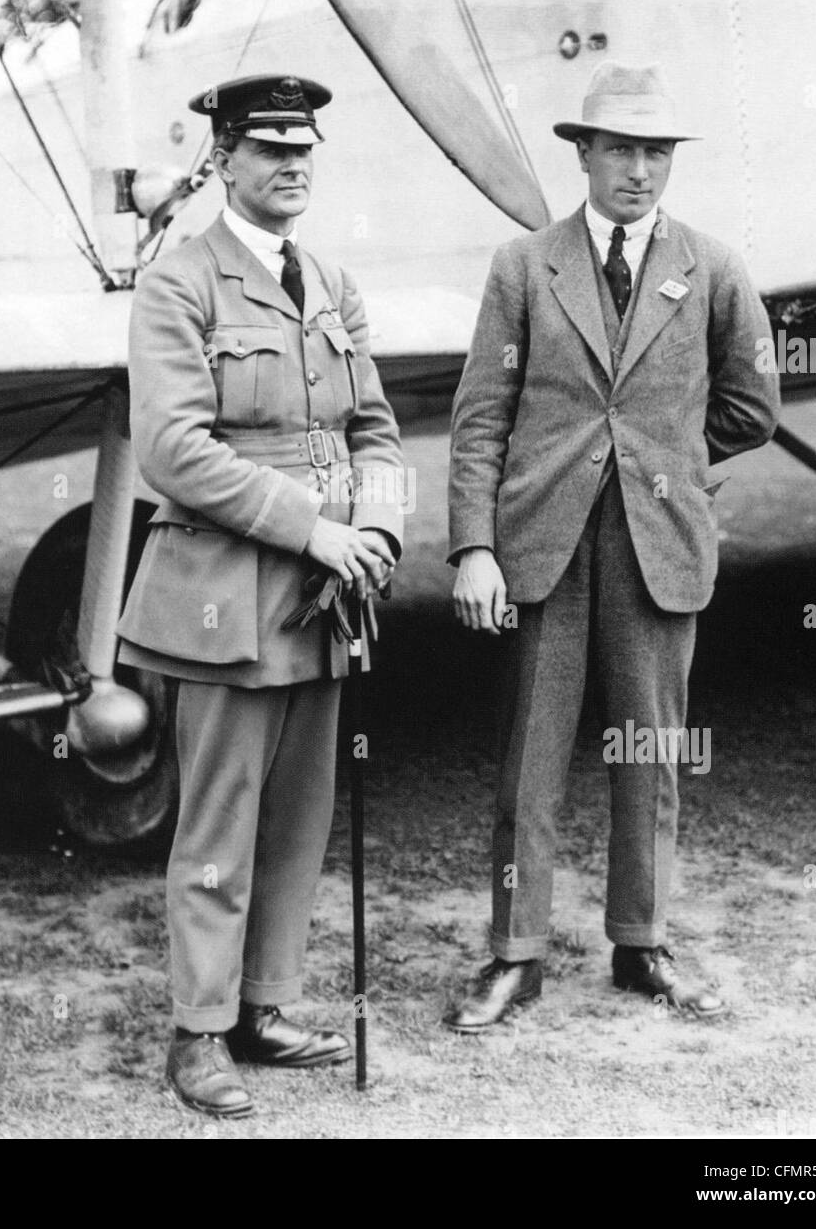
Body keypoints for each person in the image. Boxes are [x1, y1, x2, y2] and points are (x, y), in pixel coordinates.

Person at [445, 61, 780, 1031]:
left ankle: (643, 943)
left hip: (657, 543)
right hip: (543, 544)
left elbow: (754, 406)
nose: (640, 170)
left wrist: (662, 457)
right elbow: (480, 420)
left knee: (651, 753)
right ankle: (516, 954)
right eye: (622, 149)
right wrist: (475, 546)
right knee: (531, 762)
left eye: (657, 152)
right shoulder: (524, 265)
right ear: (582, 153)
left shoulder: (712, 266)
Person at [117, 74, 404, 1116]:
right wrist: (313, 527)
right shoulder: (179, 283)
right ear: (225, 159)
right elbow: (174, 450)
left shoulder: (329, 280)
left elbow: (373, 429)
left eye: (306, 148)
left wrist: (377, 526)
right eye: (272, 147)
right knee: (219, 821)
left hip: (324, 596)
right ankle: (197, 1033)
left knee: (297, 814)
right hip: (225, 595)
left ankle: (265, 1004)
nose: (295, 165)